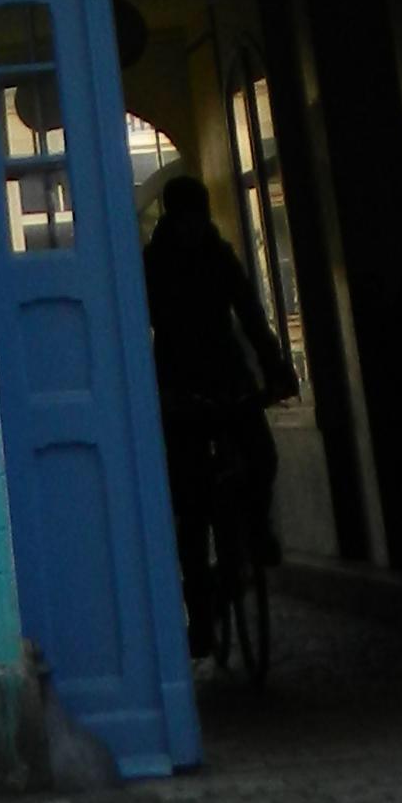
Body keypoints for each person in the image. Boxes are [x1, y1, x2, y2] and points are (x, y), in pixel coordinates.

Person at [142, 175, 292, 656]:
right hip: (180, 388)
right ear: (173, 216)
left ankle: (257, 528)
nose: (192, 226)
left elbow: (250, 314)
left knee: (261, 457)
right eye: (186, 217)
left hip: (228, 379)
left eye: (197, 217)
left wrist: (275, 369)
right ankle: (202, 619)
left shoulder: (219, 255)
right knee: (190, 510)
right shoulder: (152, 263)